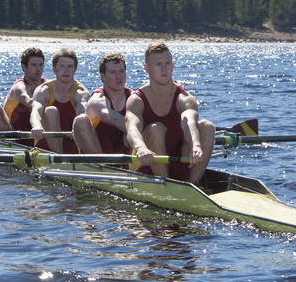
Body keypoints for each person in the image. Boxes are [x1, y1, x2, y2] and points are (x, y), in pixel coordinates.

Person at [125, 41, 214, 183]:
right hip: (148, 164)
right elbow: (131, 129)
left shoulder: (184, 97)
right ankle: (164, 184)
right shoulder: (136, 99)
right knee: (155, 129)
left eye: (167, 63)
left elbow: (189, 121)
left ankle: (193, 184)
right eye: (158, 64)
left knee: (207, 127)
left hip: (179, 160)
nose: (164, 68)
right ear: (146, 68)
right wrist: (141, 148)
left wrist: (196, 146)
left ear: (172, 66)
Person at [30, 48, 89, 154]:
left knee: (82, 119)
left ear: (75, 70)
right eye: (62, 66)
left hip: (73, 144)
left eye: (70, 67)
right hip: (45, 148)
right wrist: (36, 125)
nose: (66, 71)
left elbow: (83, 110)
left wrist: (80, 123)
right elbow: (36, 111)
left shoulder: (81, 92)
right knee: (50, 111)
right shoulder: (43, 90)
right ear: (54, 69)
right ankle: (58, 156)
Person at [72, 52, 132, 155]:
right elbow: (112, 117)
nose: (119, 76)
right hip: (97, 153)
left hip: (123, 152)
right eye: (112, 72)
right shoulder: (97, 99)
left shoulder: (132, 96)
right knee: (80, 120)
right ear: (103, 76)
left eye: (121, 71)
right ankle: (101, 165)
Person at [0, 47, 45, 133]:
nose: (38, 69)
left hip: (38, 134)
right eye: (34, 65)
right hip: (14, 135)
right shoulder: (19, 87)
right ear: (24, 67)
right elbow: (26, 98)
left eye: (41, 65)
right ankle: (5, 141)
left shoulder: (46, 85)